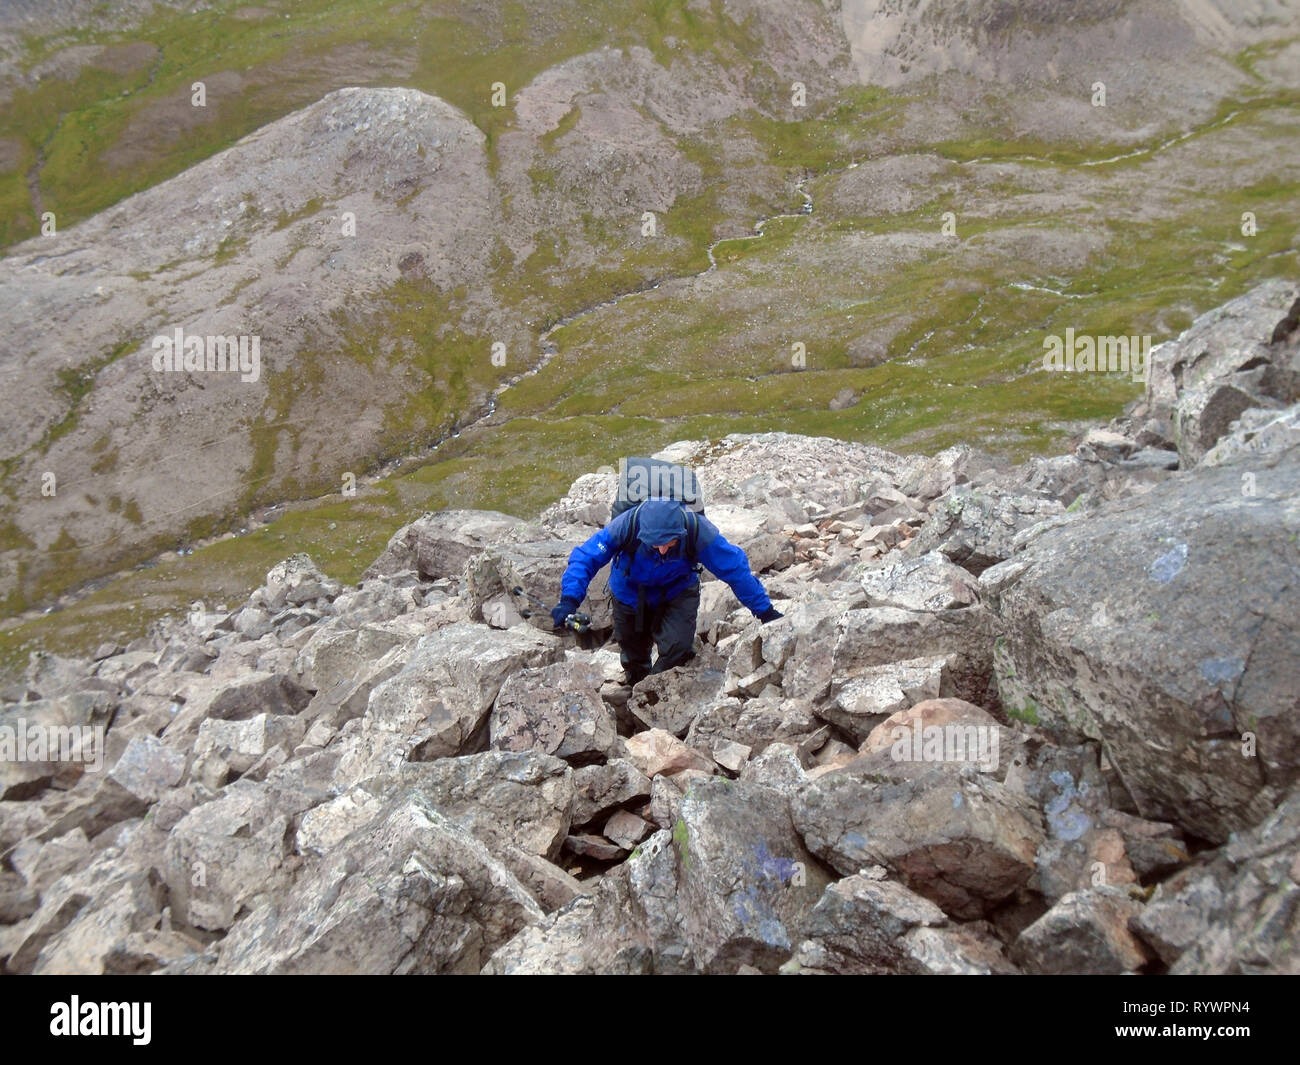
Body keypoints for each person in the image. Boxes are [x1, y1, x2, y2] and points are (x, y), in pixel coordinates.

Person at [552, 498, 783, 685]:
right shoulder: (626, 526)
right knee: (632, 654)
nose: (662, 550)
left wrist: (765, 612)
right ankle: (636, 686)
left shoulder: (697, 530)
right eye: (655, 543)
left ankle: (651, 694)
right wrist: (569, 600)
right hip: (630, 594)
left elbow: (735, 571)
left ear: (680, 532)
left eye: (670, 542)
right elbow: (586, 558)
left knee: (678, 648)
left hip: (677, 593)